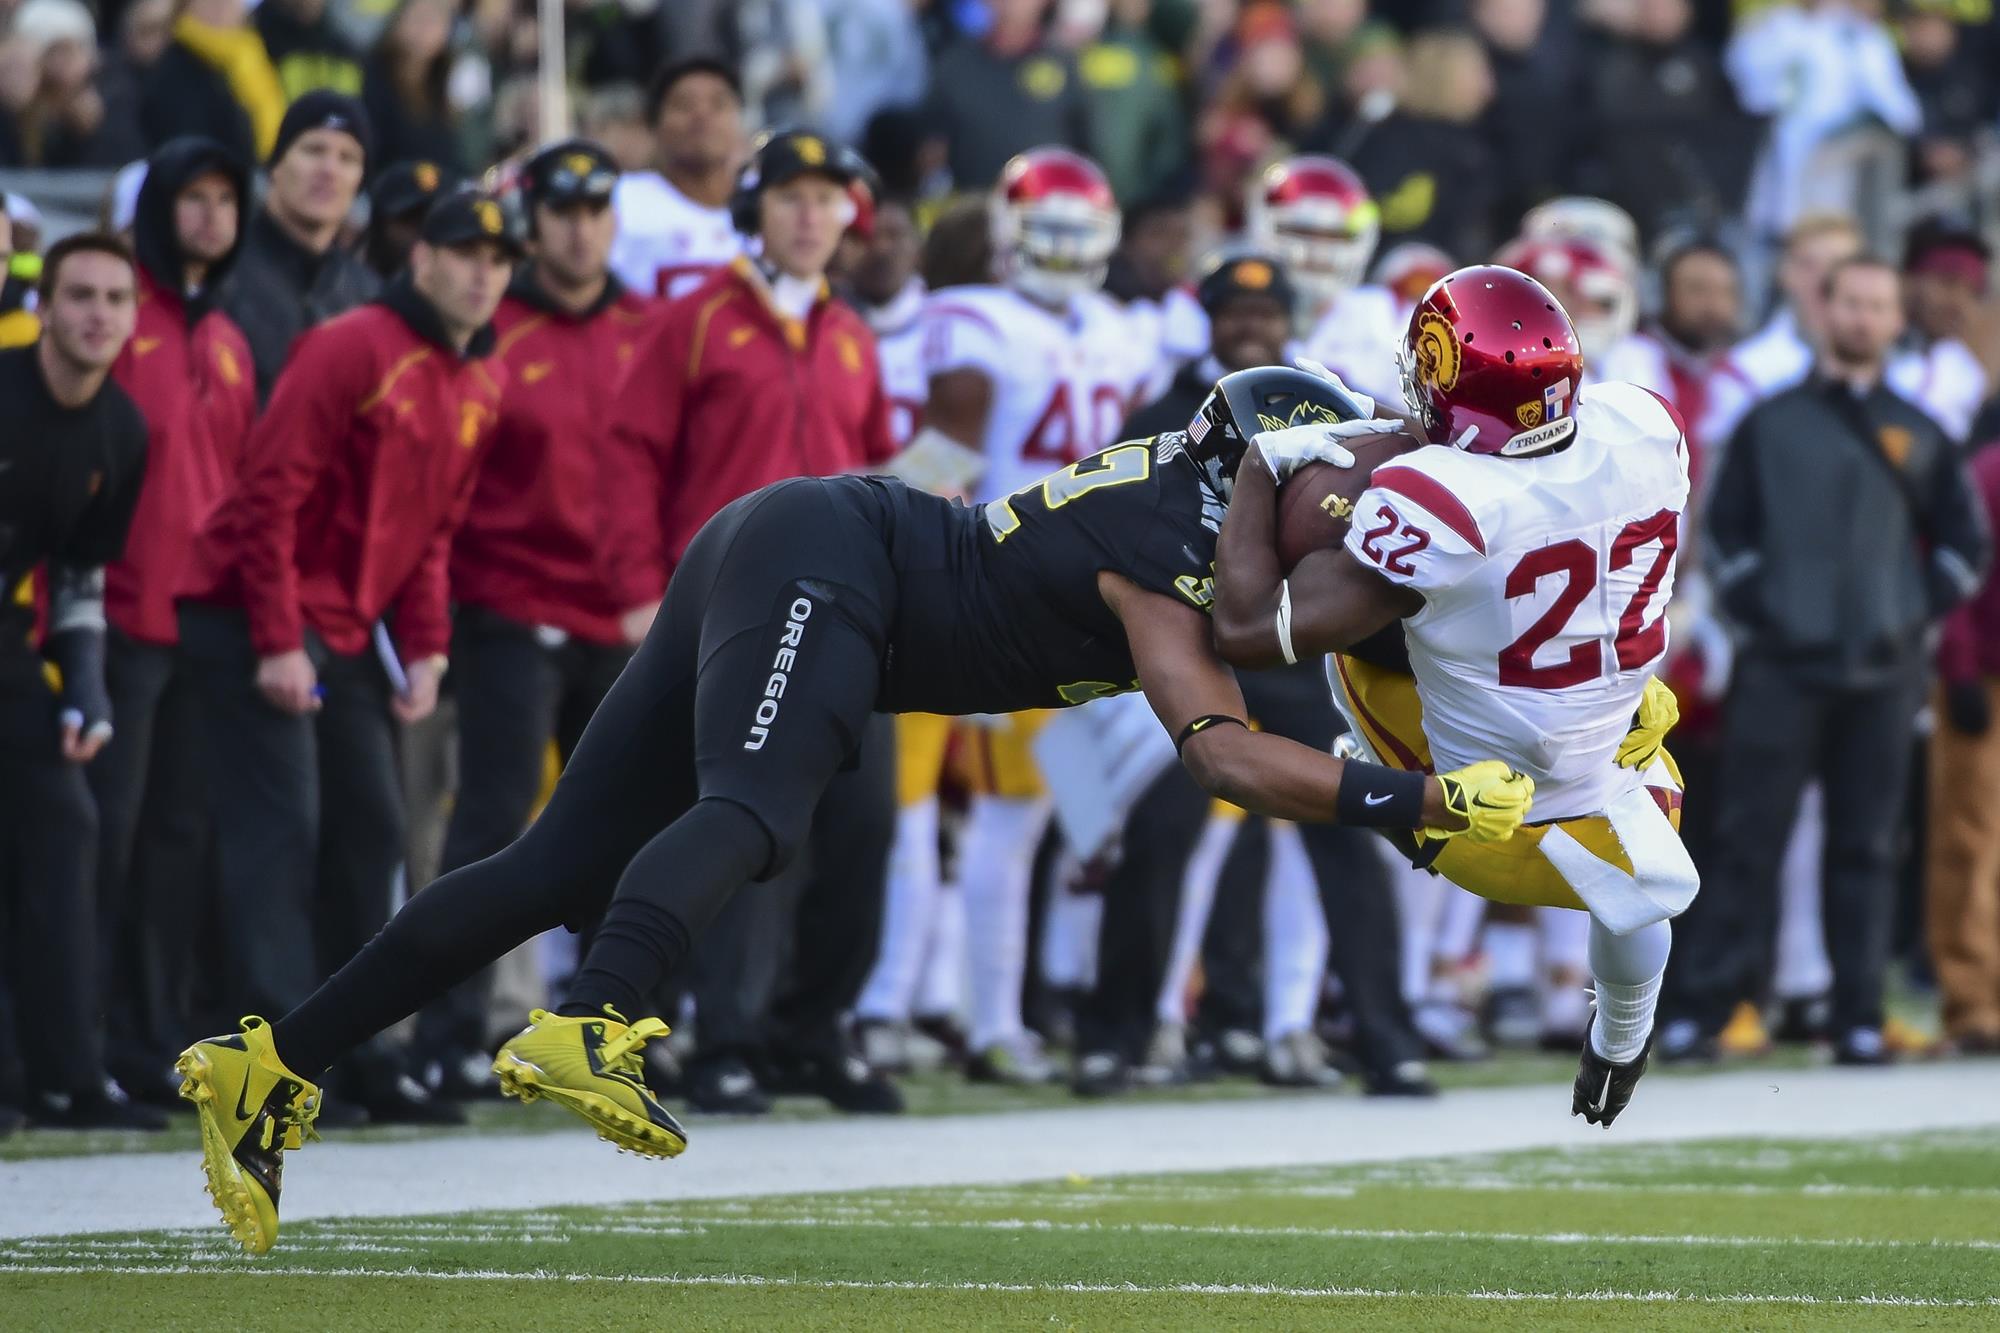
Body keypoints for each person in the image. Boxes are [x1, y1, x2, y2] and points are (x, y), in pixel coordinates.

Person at [175, 359, 1536, 1253]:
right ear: (1255, 471)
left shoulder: (1202, 507)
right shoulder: (1166, 551)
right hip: (838, 563)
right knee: (765, 811)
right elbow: (1225, 754)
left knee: (558, 860)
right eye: (1326, 487)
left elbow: (1286, 619)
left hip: (804, 546)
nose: (1347, 512)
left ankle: (270, 1060)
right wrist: (1406, 799)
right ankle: (591, 1018)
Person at [1211, 265, 1699, 1128]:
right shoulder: (1645, 425)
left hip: (1476, 814)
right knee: (1633, 877)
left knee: (1370, 644)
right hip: (1627, 770)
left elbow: (1253, 631)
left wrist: (1261, 467)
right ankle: (1622, 1038)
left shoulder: (1442, 500)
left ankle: (1371, 765)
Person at [175, 189, 524, 1125]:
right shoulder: (350, 345)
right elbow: (268, 498)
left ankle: (359, 1050)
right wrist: (280, 638)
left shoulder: (482, 379)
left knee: (372, 833)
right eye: (465, 252)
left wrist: (428, 647)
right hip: (256, 612)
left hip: (339, 624)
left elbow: (434, 529)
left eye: (499, 259)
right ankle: (274, 1066)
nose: (484, 272)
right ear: (422, 259)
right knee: (283, 833)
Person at [600, 129, 901, 1115]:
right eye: (790, 197)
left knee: (860, 827)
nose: (811, 215)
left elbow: (878, 478)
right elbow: (630, 459)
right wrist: (644, 588)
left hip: (853, 621)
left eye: (826, 198)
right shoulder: (689, 321)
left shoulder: (851, 333)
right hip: (739, 617)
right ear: (754, 211)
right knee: (759, 830)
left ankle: (810, 1029)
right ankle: (722, 1035)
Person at [1666, 256, 1989, 1066]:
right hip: (1781, 666)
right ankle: (1707, 1008)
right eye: (1851, 301)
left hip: (1882, 672)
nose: (1863, 317)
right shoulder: (1770, 423)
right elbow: (1725, 535)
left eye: (1878, 305)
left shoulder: (1918, 430)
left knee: (1868, 848)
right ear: (1825, 310)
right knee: (1747, 841)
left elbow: (1965, 540)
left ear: (1893, 320)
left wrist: (1912, 610)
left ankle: (1857, 1015)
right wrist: (1760, 617)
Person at [412, 140, 652, 1095]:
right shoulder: (493, 327)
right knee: (493, 828)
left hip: (624, 615)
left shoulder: (650, 327)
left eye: (596, 211)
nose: (580, 229)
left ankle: (601, 1037)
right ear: (532, 220)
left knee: (623, 834)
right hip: (510, 604)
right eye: (561, 211)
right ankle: (448, 1032)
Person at [915, 146, 1150, 1083]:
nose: (1062, 249)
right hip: (1013, 603)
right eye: (1045, 229)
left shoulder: (1120, 327)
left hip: (1096, 610)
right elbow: (944, 462)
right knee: (1009, 819)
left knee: (1090, 824)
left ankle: (1051, 989)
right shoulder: (978, 323)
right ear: (1010, 236)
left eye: (1078, 230)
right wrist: (917, 564)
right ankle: (989, 1021)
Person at [90, 136, 257, 1104]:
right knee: (103, 841)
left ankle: (152, 1041)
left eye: (225, 200)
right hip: (116, 618)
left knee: (179, 843)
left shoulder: (229, 339)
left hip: (205, 628)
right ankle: (74, 1037)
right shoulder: (115, 320)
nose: (209, 216)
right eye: (189, 197)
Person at [0, 233, 160, 1129]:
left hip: (9, 651)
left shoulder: (124, 430)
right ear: (44, 308)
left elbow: (80, 576)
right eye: (79, 295)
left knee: (69, 822)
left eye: (114, 297)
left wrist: (86, 684)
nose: (97, 313)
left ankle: (71, 1073)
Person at [219, 91, 377, 402]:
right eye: (313, 150)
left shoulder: (368, 296)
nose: (329, 170)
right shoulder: (222, 273)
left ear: (359, 180)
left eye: (348, 158)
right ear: (276, 165)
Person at [1930, 435, 2000, 1055]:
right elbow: (1956, 568)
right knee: (1970, 842)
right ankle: (1973, 1001)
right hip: (1987, 679)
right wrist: (1959, 668)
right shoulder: (1987, 469)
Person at [1248, 154, 1403, 410]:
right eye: (1300, 232)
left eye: (1335, 236)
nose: (1318, 255)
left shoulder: (1391, 323)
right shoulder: (1215, 311)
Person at [608, 58, 745, 299]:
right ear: (653, 125)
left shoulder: (770, 202)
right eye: (684, 105)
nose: (702, 114)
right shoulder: (622, 202)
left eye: (718, 104)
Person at [363, 158, 454, 279]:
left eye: (436, 224)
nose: (422, 233)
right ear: (380, 222)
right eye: (410, 220)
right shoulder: (352, 284)